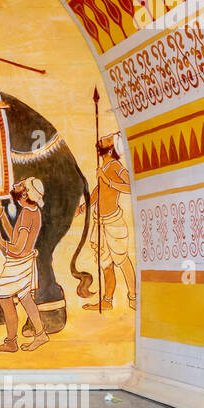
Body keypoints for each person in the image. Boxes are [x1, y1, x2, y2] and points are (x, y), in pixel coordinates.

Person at [0, 177, 49, 354]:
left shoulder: (28, 215)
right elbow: (15, 238)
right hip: (24, 261)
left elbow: (17, 248)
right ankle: (41, 334)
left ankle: (11, 342)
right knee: (26, 299)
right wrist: (0, 212)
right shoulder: (30, 210)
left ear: (25, 194)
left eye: (21, 185)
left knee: (5, 298)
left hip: (18, 263)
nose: (16, 185)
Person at [78, 132, 137, 310]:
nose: (104, 138)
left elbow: (131, 186)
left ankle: (134, 297)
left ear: (111, 149)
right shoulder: (104, 166)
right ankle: (107, 300)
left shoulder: (115, 166)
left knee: (122, 260)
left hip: (113, 222)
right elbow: (99, 189)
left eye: (109, 139)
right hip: (100, 222)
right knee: (106, 264)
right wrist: (83, 207)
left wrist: (109, 181)